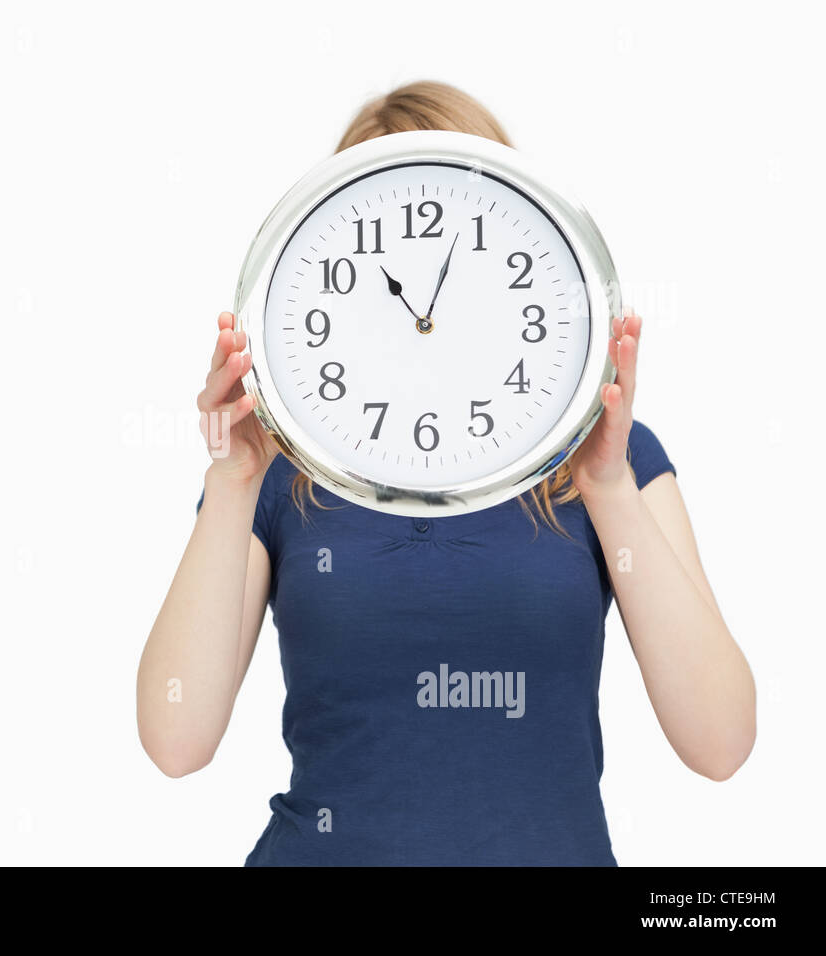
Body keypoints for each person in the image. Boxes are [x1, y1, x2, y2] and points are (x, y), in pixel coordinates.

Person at [135, 81, 756, 866]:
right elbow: (174, 740)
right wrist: (228, 482)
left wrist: (607, 489)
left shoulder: (611, 461)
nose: (423, 316)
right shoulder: (272, 470)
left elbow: (723, 743)